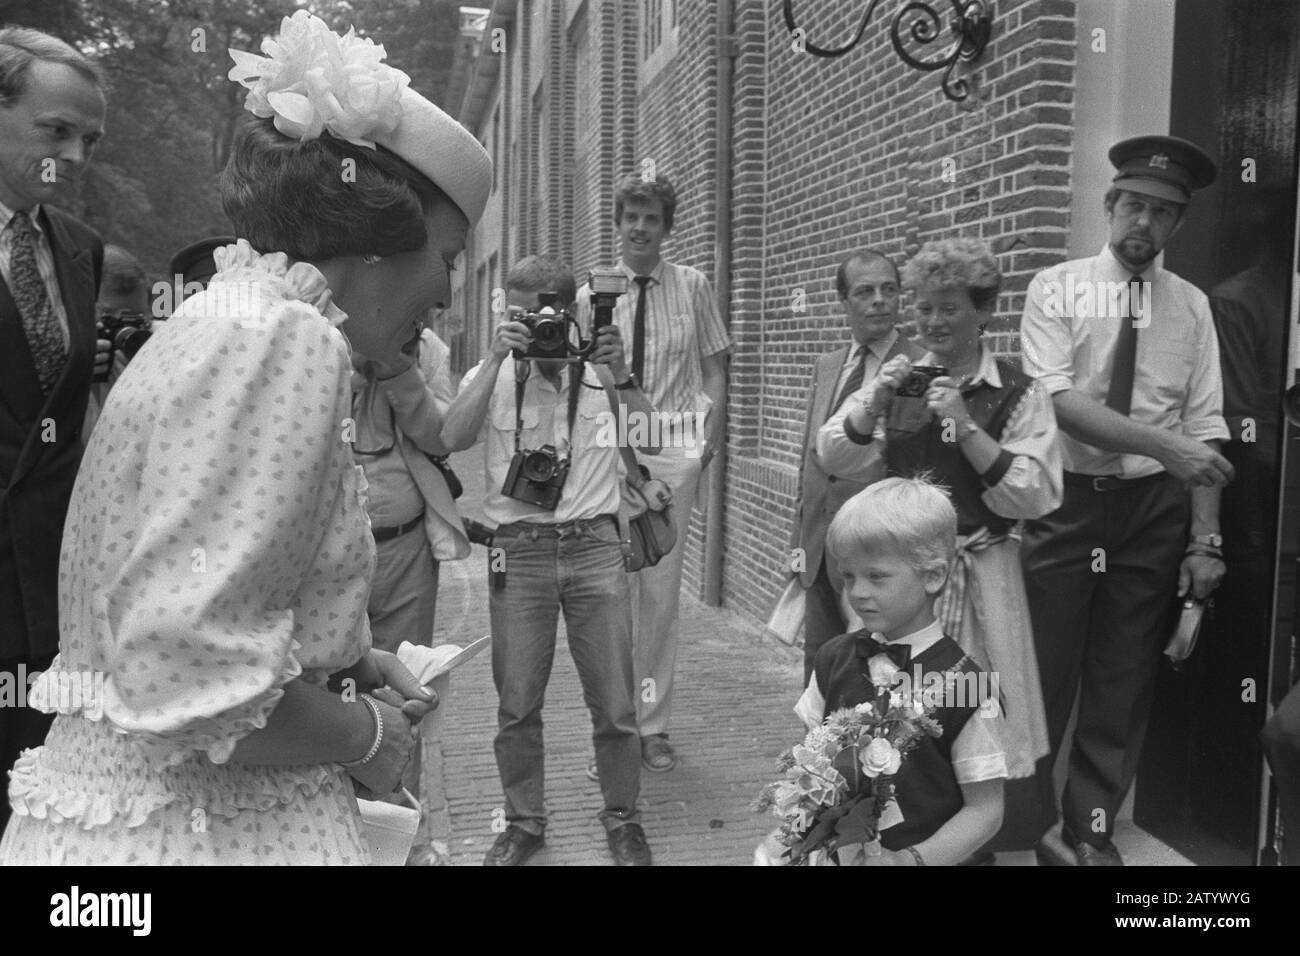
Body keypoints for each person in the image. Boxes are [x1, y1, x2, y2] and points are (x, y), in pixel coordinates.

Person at [0, 11, 490, 864]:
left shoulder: (222, 318)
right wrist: (368, 736)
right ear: (381, 240)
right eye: (449, 255)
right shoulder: (284, 341)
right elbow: (187, 675)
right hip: (199, 829)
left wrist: (348, 654)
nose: (446, 294)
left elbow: (182, 595)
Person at [1019, 135, 1232, 866]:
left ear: (1177, 226)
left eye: (1164, 212)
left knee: (1122, 674)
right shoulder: (1056, 286)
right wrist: (1165, 445)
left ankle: (1092, 831)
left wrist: (1206, 542)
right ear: (1109, 207)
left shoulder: (1194, 309)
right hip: (1065, 500)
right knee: (1040, 672)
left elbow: (1205, 430)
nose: (1145, 223)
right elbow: (1059, 401)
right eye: (1134, 205)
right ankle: (1021, 829)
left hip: (1151, 513)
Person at [819, 237, 1061, 857]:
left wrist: (965, 421)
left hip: (982, 577)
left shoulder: (1016, 390)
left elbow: (1035, 495)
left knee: (973, 713)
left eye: (948, 308)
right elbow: (834, 455)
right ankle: (893, 833)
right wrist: (875, 400)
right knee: (886, 711)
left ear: (983, 310)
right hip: (900, 580)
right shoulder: (900, 380)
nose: (931, 322)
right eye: (923, 308)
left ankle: (976, 841)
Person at [442, 255, 659, 865]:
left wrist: (624, 372)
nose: (537, 325)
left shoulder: (598, 372)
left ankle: (623, 818)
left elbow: (654, 438)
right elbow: (451, 437)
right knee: (516, 704)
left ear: (571, 310)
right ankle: (524, 822)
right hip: (519, 551)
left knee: (616, 703)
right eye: (521, 313)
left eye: (547, 312)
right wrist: (492, 359)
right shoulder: (493, 374)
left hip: (594, 547)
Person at [574, 172, 730, 774]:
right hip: (610, 449)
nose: (640, 227)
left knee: (660, 596)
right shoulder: (593, 293)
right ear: (618, 223)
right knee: (607, 593)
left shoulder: (691, 286)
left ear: (667, 226)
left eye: (652, 218)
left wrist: (706, 434)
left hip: (669, 447)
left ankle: (652, 726)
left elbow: (714, 365)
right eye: (631, 216)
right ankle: (613, 733)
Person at [0, 27, 108, 839]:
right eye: (56, 130)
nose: (74, 155)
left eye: (89, 139)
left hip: (48, 593)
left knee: (41, 806)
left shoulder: (78, 249)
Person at [793, 477, 1007, 865]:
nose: (857, 592)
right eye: (848, 576)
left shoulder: (967, 685)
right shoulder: (832, 659)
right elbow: (811, 765)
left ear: (933, 576)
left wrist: (909, 861)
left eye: (876, 576)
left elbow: (986, 811)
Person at [790, 250, 923, 682]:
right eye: (865, 292)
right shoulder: (827, 367)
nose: (879, 300)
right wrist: (799, 547)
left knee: (876, 676)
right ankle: (820, 751)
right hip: (819, 548)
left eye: (889, 289)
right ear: (844, 302)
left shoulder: (920, 366)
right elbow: (810, 461)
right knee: (821, 671)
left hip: (881, 553)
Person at [351, 321, 467, 653]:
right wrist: (353, 365)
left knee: (405, 671)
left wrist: (401, 373)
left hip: (406, 546)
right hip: (331, 546)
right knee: (330, 679)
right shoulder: (316, 333)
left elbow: (442, 439)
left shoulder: (427, 347)